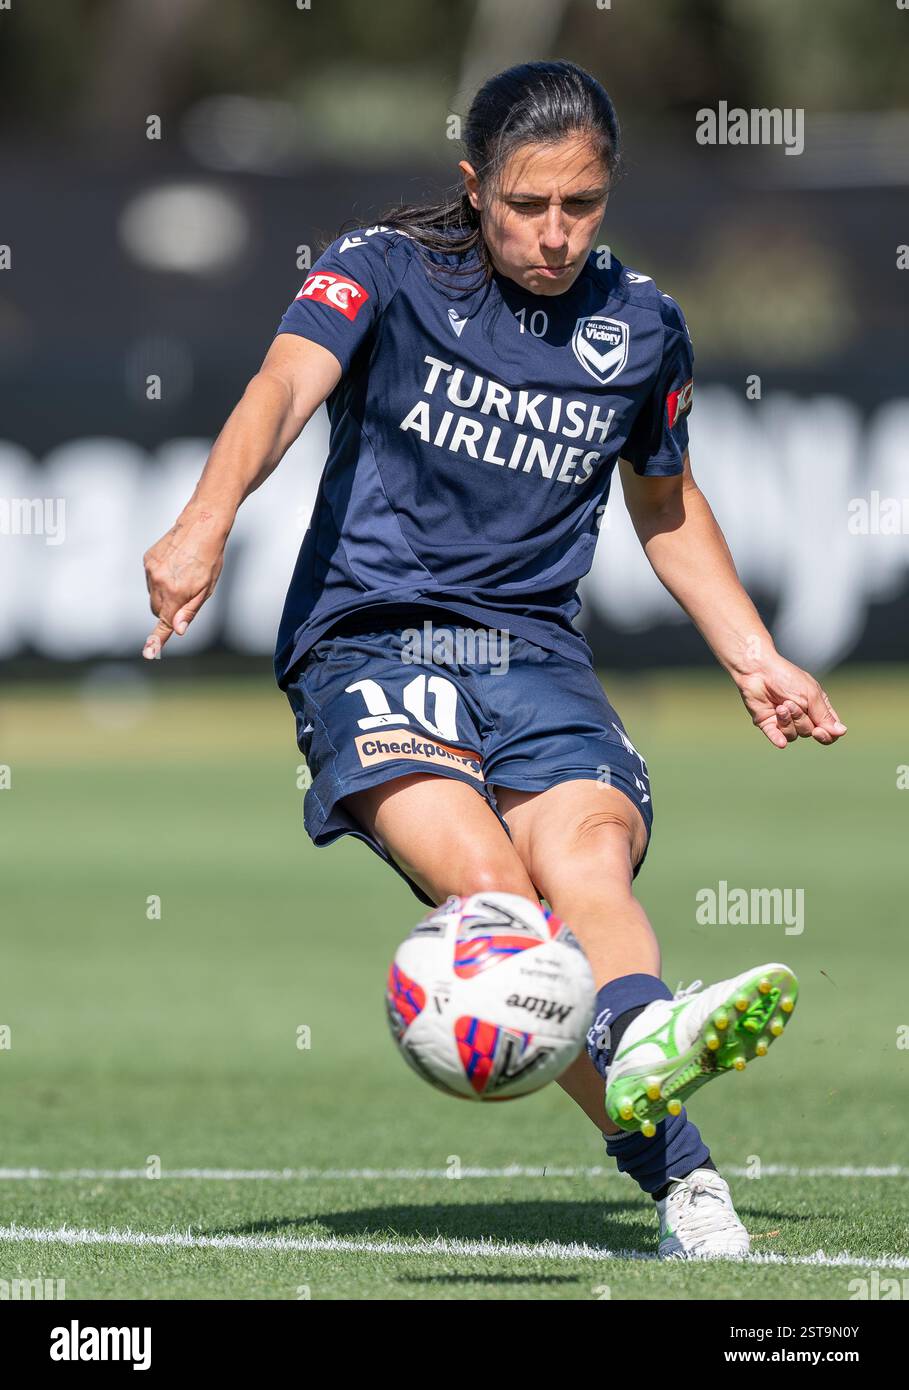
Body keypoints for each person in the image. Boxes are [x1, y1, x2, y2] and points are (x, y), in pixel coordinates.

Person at [142, 60, 847, 1259]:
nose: (556, 233)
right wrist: (205, 516)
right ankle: (685, 1174)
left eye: (582, 204)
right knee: (499, 901)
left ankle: (641, 1032)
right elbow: (279, 391)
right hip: (370, 635)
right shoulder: (381, 270)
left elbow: (666, 507)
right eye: (529, 205)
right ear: (476, 187)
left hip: (530, 648)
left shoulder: (641, 328)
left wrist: (755, 655)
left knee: (589, 861)